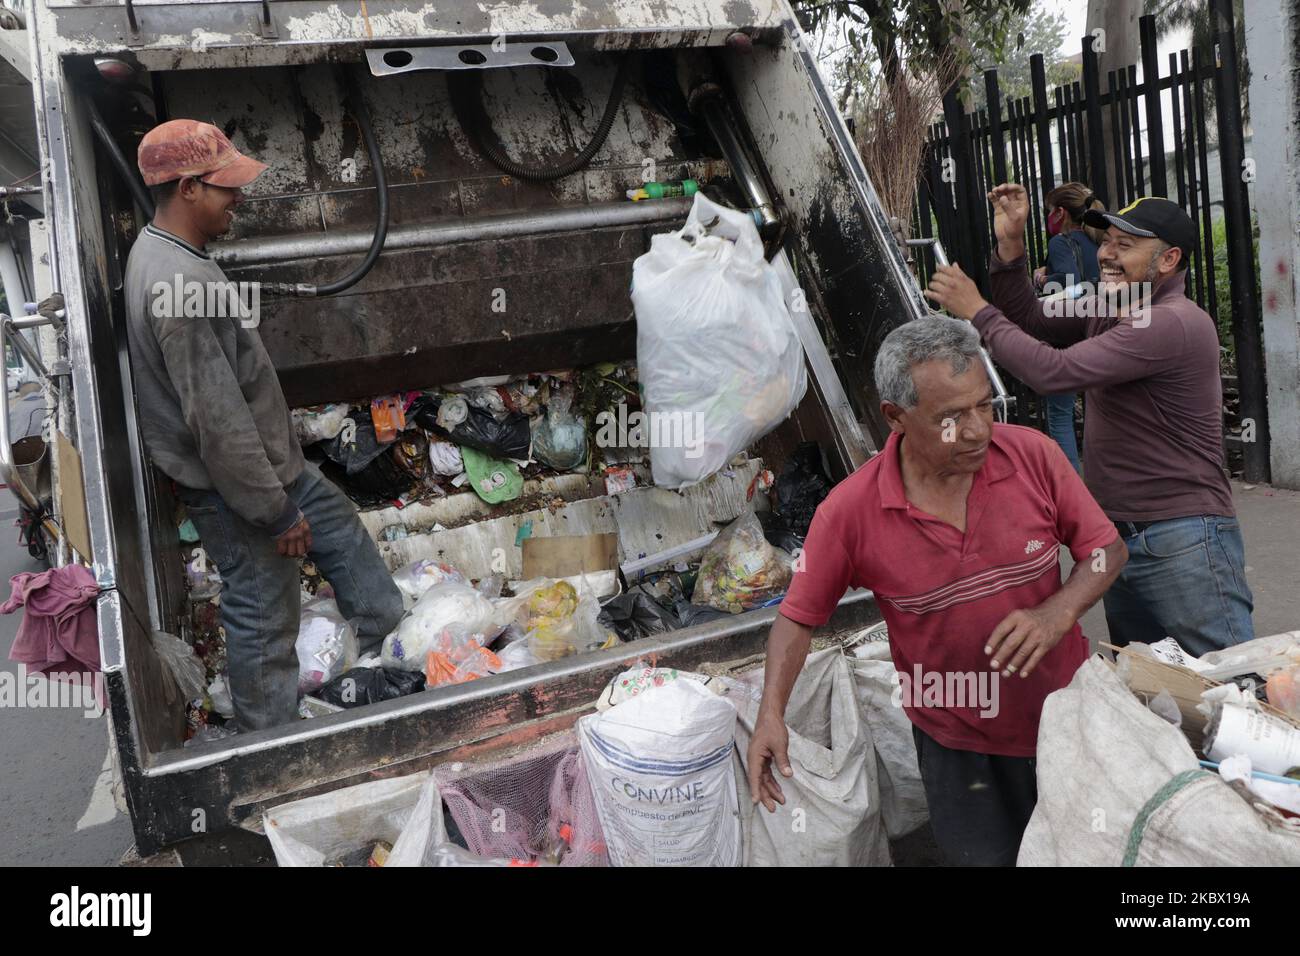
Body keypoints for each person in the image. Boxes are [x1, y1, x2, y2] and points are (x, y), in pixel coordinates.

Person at [747, 317, 1126, 866]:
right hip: (956, 747)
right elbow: (797, 619)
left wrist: (1057, 612)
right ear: (895, 419)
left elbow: (1105, 551)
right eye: (950, 418)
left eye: (984, 405)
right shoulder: (850, 513)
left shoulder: (1034, 457)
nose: (977, 431)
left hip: (1065, 721)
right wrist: (771, 715)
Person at [123, 119, 404, 731]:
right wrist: (274, 512)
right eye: (227, 188)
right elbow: (217, 423)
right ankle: (269, 749)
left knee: (342, 535)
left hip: (273, 472)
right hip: (238, 489)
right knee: (262, 612)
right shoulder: (179, 282)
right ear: (189, 188)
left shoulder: (170, 255)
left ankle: (396, 661)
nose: (239, 199)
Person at [924, 185, 1253, 655]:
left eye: (1126, 244)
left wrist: (976, 310)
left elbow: (1052, 372)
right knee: (1149, 693)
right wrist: (1012, 246)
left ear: (1167, 260)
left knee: (1233, 689)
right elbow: (1031, 320)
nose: (1107, 254)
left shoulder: (1171, 321)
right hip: (1120, 539)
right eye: (1106, 241)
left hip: (1183, 540)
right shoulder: (1112, 306)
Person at [1031, 182, 1106, 472]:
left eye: (1050, 211)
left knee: (1060, 412)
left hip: (1067, 332)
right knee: (1102, 409)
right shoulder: (1102, 241)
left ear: (1061, 213)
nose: (1049, 217)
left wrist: (1041, 279)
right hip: (1100, 327)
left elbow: (1072, 284)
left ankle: (1071, 483)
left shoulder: (1061, 242)